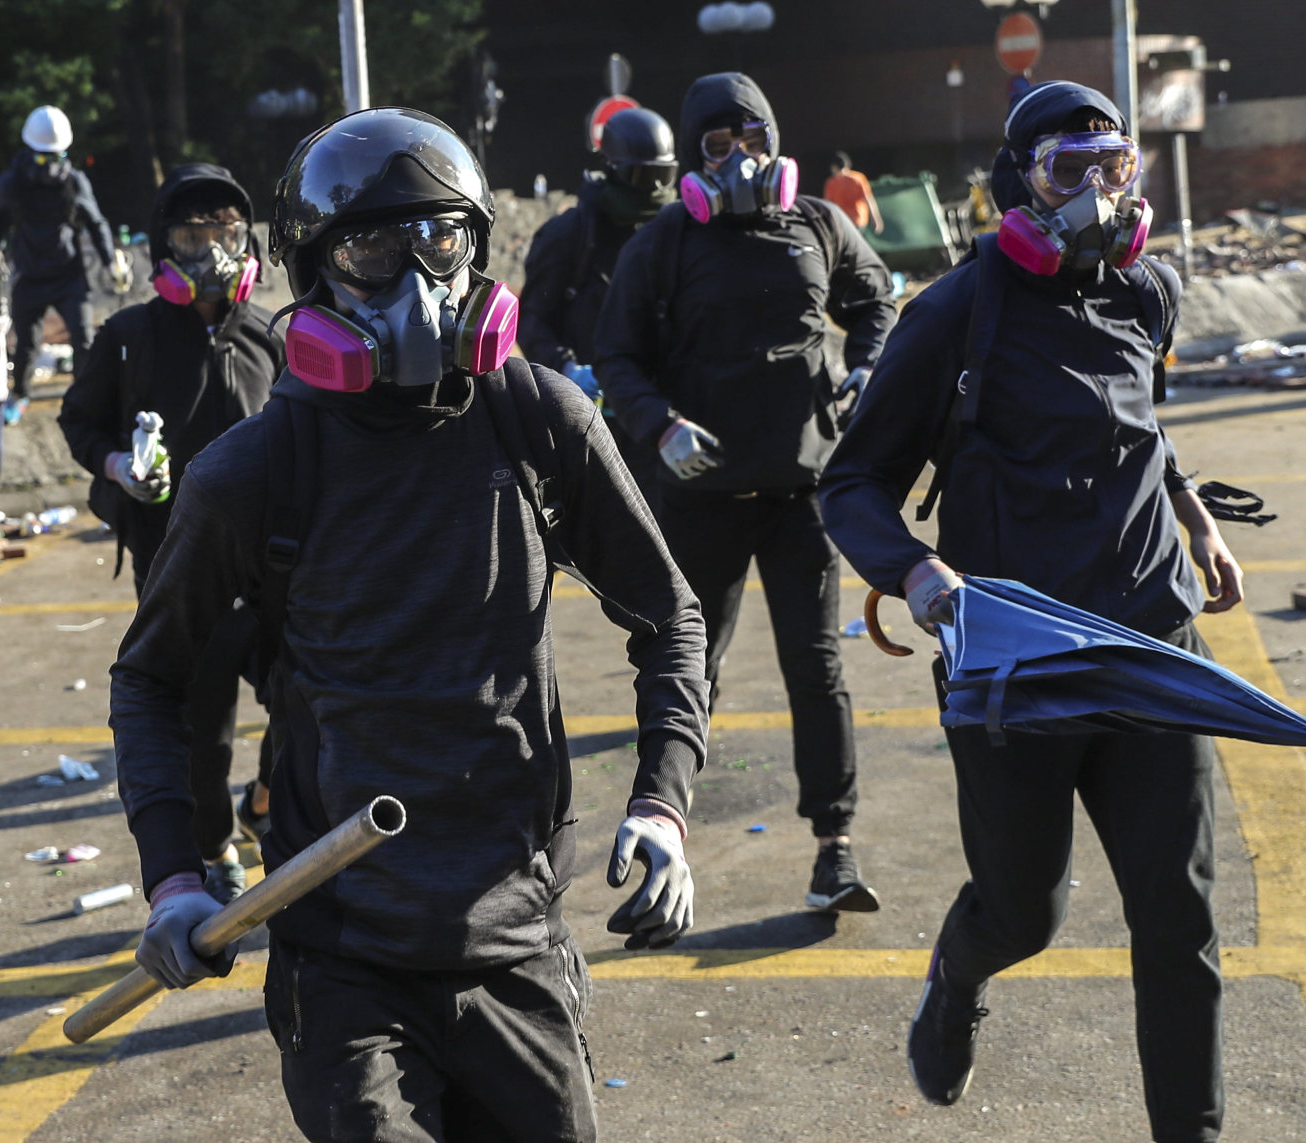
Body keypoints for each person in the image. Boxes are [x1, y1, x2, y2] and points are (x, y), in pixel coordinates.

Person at [109, 108, 709, 1142]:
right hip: (346, 956)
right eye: (374, 248)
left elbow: (670, 616)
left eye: (441, 239)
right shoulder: (252, 473)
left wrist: (664, 801)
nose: (419, 280)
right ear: (312, 272)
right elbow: (152, 679)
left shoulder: (540, 419)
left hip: (517, 933)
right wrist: (173, 877)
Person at [818, 82, 1244, 1139]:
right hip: (1017, 666)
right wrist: (915, 575)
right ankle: (958, 979)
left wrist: (1191, 509)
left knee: (1178, 924)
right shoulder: (956, 315)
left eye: (1115, 168)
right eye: (1069, 171)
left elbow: (1131, 415)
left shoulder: (1149, 291)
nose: (1098, 195)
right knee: (1025, 912)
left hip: (1151, 642)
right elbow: (850, 481)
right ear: (1017, 186)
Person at [597, 72, 897, 914]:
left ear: (774, 142)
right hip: (701, 495)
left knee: (818, 668)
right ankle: (661, 843)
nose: (738, 159)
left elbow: (877, 302)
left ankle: (834, 848)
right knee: (689, 667)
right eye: (717, 146)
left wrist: (867, 366)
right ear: (694, 159)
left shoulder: (818, 223)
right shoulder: (662, 243)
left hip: (801, 491)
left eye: (750, 139)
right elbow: (615, 354)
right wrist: (659, 425)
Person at [60, 164, 285, 902]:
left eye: (224, 234)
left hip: (278, 563)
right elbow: (79, 420)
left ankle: (268, 801)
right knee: (202, 725)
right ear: (163, 248)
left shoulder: (272, 333)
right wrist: (118, 464)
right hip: (181, 567)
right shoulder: (130, 335)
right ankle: (215, 843)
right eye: (192, 236)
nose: (210, 252)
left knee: (315, 696)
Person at [520, 106, 679, 473]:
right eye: (642, 175)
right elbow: (531, 321)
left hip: (664, 419)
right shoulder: (569, 236)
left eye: (663, 175)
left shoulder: (675, 233)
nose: (654, 189)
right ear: (613, 170)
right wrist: (566, 368)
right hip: (594, 424)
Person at [0, 105, 128, 415]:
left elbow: (96, 222)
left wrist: (110, 261)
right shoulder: (12, 183)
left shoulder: (74, 182)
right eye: (43, 159)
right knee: (26, 343)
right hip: (29, 273)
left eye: (57, 158)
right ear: (30, 150)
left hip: (69, 273)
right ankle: (20, 393)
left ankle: (85, 398)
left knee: (84, 338)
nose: (51, 166)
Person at [822, 151, 883, 234]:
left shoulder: (831, 183)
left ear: (834, 167)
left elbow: (828, 204)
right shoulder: (858, 178)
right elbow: (868, 199)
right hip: (858, 219)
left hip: (841, 221)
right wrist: (876, 219)